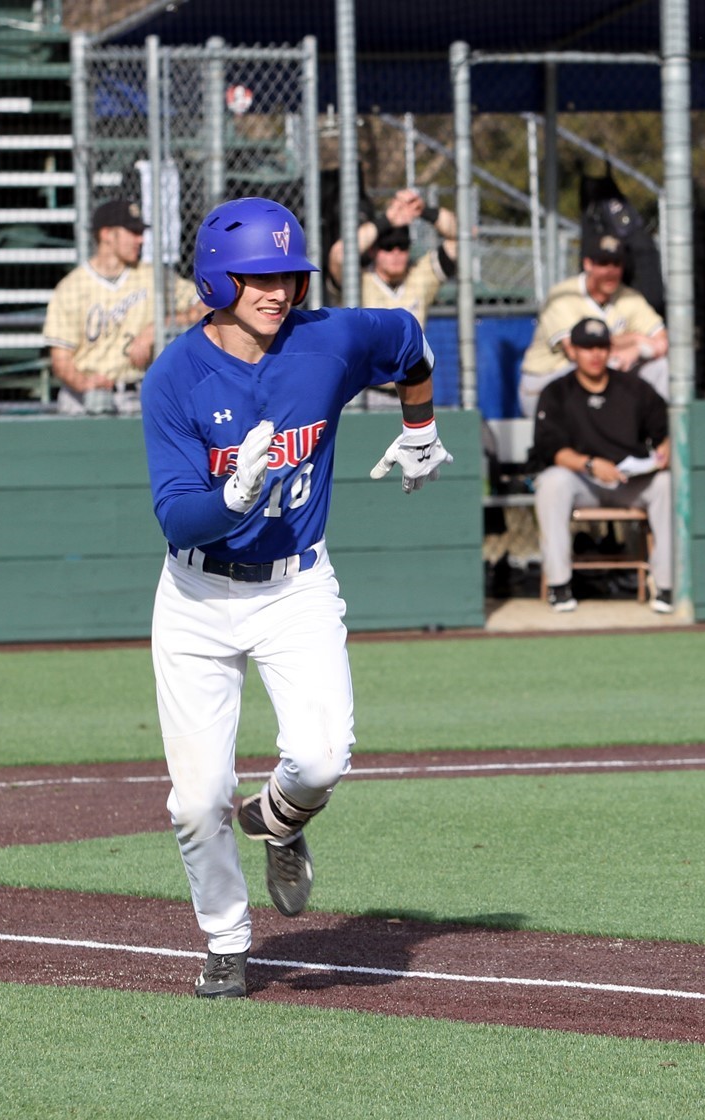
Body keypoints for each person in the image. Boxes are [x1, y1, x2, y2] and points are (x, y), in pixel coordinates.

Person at [140, 196, 450, 1000]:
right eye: (258, 276)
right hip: (197, 594)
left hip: (296, 584)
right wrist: (232, 498)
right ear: (217, 279)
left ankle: (279, 822)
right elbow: (176, 511)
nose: (278, 290)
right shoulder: (175, 376)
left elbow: (411, 342)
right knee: (197, 799)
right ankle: (227, 942)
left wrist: (419, 425)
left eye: (289, 274)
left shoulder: (330, 338)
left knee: (319, 759)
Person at [530, 317, 672, 614]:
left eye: (600, 347)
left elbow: (665, 431)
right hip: (583, 481)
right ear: (574, 352)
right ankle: (560, 585)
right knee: (552, 482)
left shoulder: (634, 388)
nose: (594, 354)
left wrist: (664, 451)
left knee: (667, 484)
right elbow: (550, 450)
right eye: (586, 348)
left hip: (628, 481)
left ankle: (667, 585)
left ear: (609, 350)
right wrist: (592, 465)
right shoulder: (557, 392)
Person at [43, 197, 202, 415]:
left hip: (136, 394)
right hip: (82, 398)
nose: (141, 239)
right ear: (107, 234)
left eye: (141, 232)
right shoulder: (72, 287)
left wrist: (159, 326)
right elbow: (60, 359)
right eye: (133, 232)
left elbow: (208, 304)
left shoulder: (152, 276)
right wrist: (84, 383)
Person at [517, 234, 668, 418]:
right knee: (602, 366)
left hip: (603, 377)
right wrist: (635, 339)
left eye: (616, 263)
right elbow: (578, 352)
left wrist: (639, 349)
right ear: (588, 264)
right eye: (604, 263)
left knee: (659, 368)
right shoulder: (563, 295)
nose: (611, 271)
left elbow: (663, 342)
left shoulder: (629, 297)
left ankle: (660, 438)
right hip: (545, 383)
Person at [326, 187, 460, 326]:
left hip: (410, 349)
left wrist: (422, 210)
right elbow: (339, 255)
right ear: (373, 250)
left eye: (402, 246)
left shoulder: (420, 275)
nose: (396, 253)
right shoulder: (360, 281)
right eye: (388, 246)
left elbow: (462, 236)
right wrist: (387, 219)